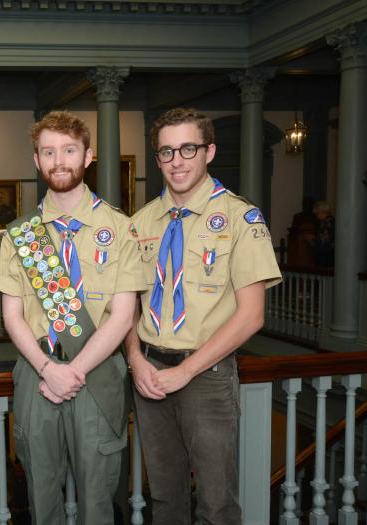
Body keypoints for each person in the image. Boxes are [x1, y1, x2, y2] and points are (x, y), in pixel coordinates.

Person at [125, 108, 281, 524]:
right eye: (166, 152)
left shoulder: (239, 218)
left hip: (207, 376)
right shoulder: (141, 223)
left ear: (208, 151)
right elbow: (128, 308)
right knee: (165, 498)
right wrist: (136, 360)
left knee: (216, 503)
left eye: (187, 148)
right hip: (150, 374)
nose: (177, 160)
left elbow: (251, 317)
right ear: (157, 159)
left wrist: (187, 371)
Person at [0, 111, 144, 525]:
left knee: (99, 499)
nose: (59, 160)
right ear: (37, 161)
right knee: (41, 497)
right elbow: (12, 316)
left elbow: (122, 315)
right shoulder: (18, 235)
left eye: (69, 150)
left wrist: (72, 371)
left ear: (88, 156)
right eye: (48, 152)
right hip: (35, 372)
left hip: (95, 372)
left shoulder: (120, 229)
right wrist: (48, 369)